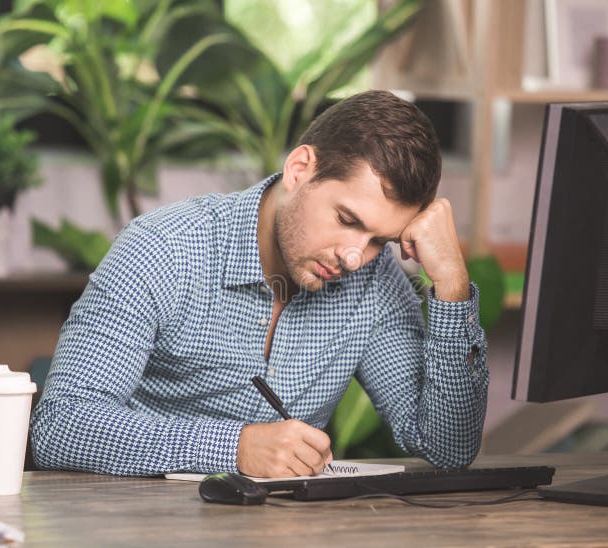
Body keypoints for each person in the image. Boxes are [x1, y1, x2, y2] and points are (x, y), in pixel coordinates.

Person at [30, 90, 488, 478]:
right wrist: (233, 448)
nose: (354, 257)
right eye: (347, 220)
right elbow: (61, 425)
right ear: (300, 169)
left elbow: (447, 449)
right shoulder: (164, 249)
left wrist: (451, 285)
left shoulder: (374, 282)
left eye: (380, 241)